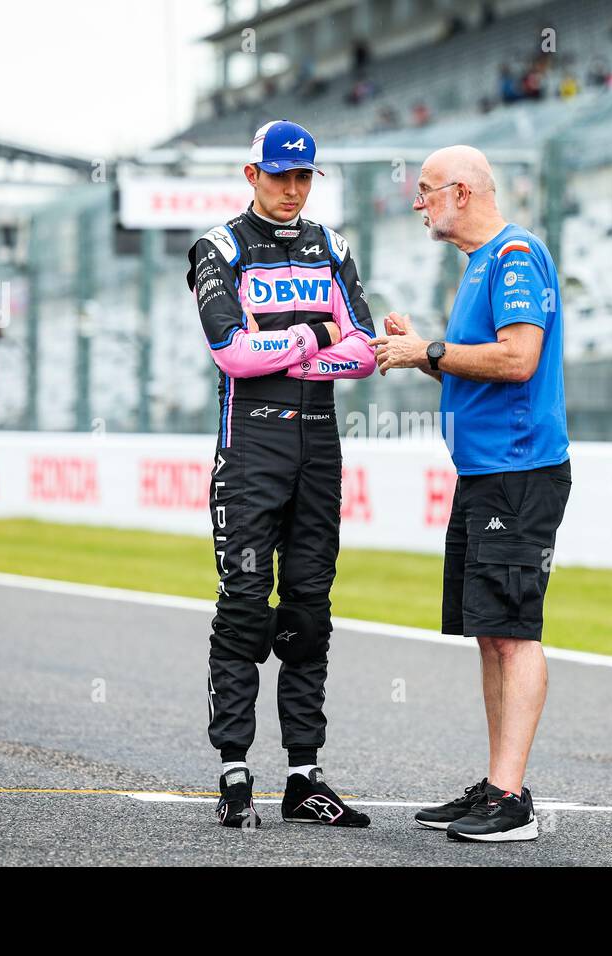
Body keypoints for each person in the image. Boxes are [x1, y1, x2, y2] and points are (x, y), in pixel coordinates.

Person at [370, 145, 571, 842]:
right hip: (487, 472)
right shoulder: (481, 264)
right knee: (492, 633)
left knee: (514, 633)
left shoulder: (516, 256)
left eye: (426, 191)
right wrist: (422, 348)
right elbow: (475, 372)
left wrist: (427, 352)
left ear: (460, 191)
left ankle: (511, 802)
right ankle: (496, 787)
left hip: (518, 471)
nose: (418, 203)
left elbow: (519, 359)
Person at [186, 119, 376, 829]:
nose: (292, 189)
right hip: (250, 451)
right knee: (242, 604)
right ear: (252, 175)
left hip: (319, 448)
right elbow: (232, 353)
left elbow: (363, 353)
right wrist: (311, 336)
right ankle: (235, 772)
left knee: (307, 610)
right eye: (280, 175)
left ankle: (304, 778)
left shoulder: (334, 247)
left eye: (303, 177)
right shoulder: (217, 248)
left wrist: (297, 354)